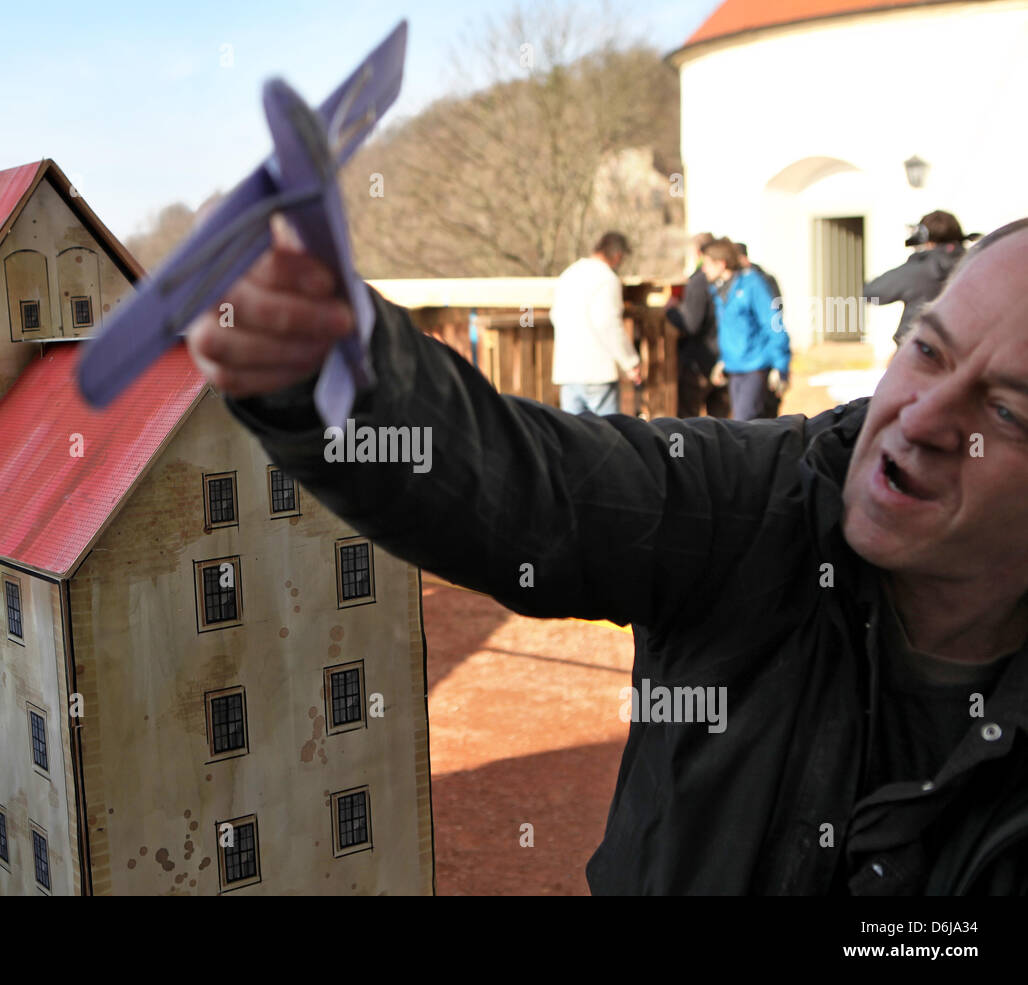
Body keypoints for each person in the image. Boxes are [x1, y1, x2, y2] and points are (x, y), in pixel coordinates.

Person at [188, 214, 1028, 895]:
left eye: (1008, 413)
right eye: (926, 350)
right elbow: (534, 484)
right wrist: (339, 372)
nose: (922, 419)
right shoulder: (757, 504)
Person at [548, 232, 642, 416]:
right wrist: (630, 362)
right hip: (597, 373)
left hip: (567, 372)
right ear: (618, 256)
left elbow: (555, 315)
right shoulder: (607, 279)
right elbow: (607, 322)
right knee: (607, 437)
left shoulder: (568, 274)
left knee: (573, 437)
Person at [700, 237, 790, 421]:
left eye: (707, 264)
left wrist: (780, 366)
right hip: (735, 368)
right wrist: (723, 361)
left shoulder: (752, 284)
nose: (703, 269)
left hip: (756, 366)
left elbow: (773, 323)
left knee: (744, 424)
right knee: (746, 426)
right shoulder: (720, 291)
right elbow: (732, 331)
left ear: (722, 263)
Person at [865, 210, 967, 345]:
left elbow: (872, 292)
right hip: (965, 350)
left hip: (920, 351)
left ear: (926, 240)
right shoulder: (975, 263)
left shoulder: (921, 268)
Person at [667, 232, 728, 418]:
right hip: (724, 359)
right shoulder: (730, 280)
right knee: (721, 424)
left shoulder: (699, 282)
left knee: (688, 424)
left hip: (700, 363)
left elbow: (691, 324)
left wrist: (671, 312)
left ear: (698, 253)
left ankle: (683, 449)